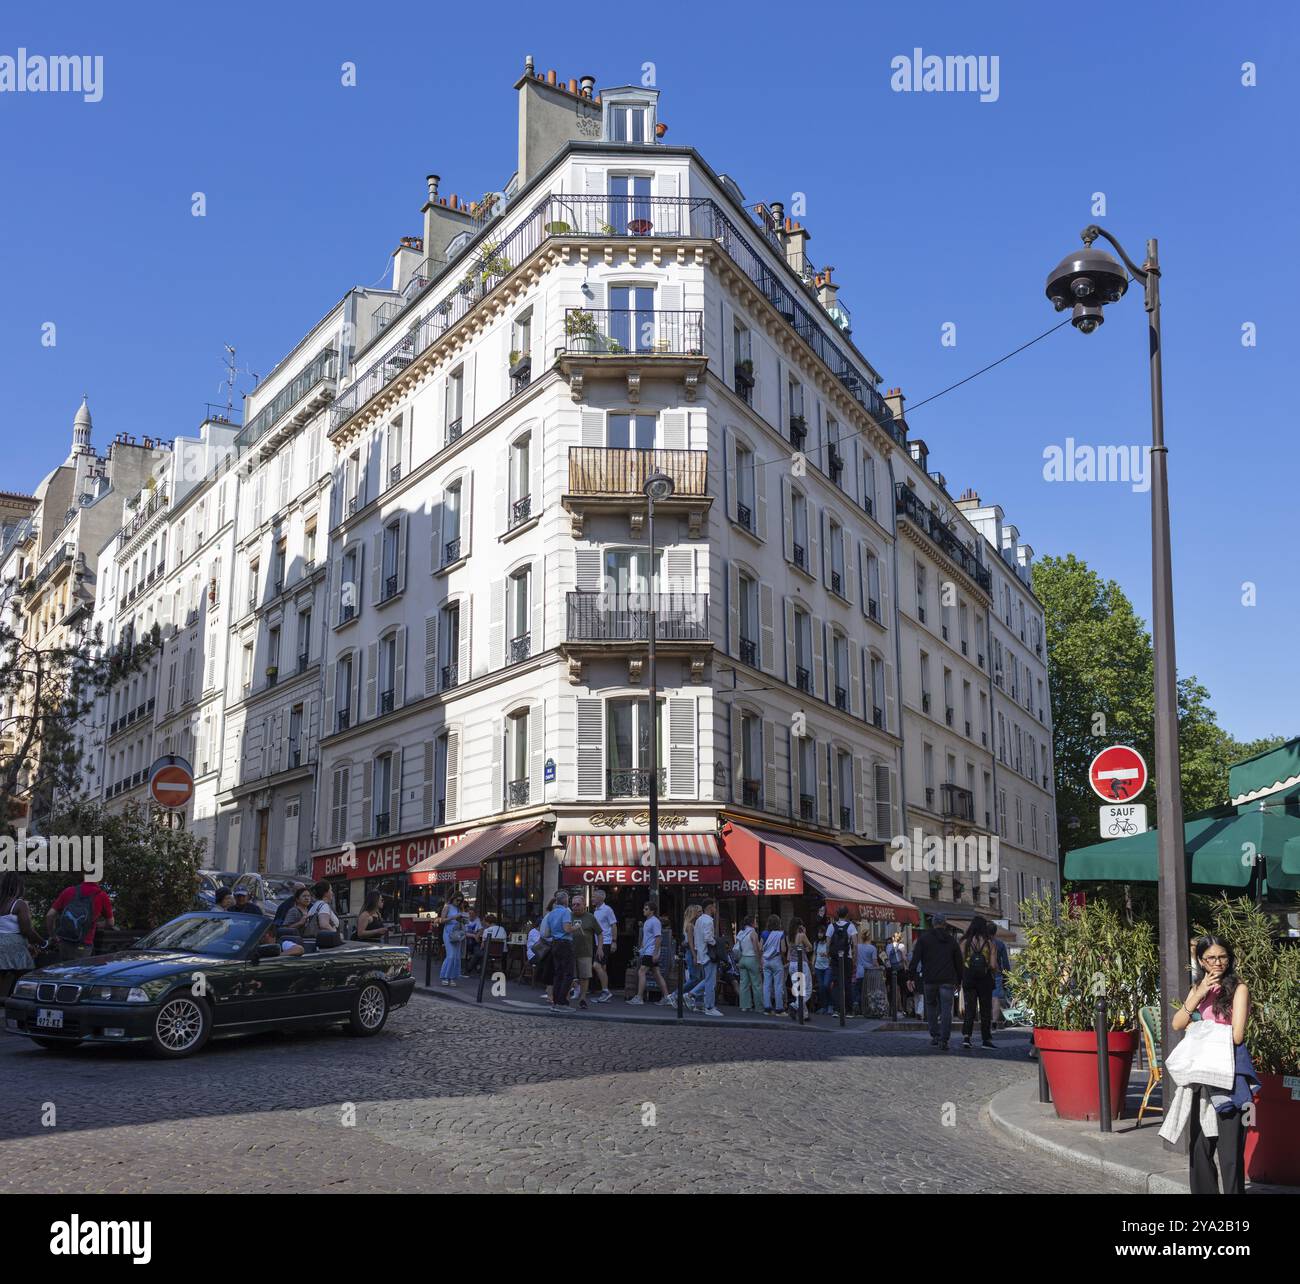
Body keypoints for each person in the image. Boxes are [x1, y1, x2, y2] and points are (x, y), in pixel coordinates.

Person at [1171, 935, 1255, 1194]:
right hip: (1202, 1076)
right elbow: (1177, 1024)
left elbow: (1237, 1034)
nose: (1218, 963)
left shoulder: (1239, 988)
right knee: (1200, 1147)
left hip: (1229, 1076)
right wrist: (1199, 994)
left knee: (1230, 1152)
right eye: (1212, 958)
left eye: (1223, 957)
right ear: (1201, 961)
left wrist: (1201, 1027)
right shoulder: (1199, 988)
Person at [907, 913, 963, 1051]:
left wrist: (910, 977)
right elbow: (959, 962)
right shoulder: (951, 940)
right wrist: (959, 980)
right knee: (946, 1010)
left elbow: (915, 959)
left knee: (931, 1007)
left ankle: (935, 1035)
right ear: (945, 924)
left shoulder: (924, 939)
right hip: (947, 979)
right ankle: (944, 1039)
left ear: (933, 923)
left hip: (930, 979)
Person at [46, 878, 116, 961]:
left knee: (64, 971)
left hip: (64, 942)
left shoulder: (69, 891)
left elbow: (49, 915)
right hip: (84, 945)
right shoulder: (101, 895)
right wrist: (94, 924)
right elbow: (110, 923)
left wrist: (53, 935)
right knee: (80, 972)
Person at [0, 873, 45, 998]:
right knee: (27, 977)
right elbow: (27, 930)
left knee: (4, 981)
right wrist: (43, 942)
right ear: (18, 886)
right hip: (13, 948)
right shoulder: (19, 904)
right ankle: (22, 1006)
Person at [959, 916, 997, 1049]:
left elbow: (960, 962)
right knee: (985, 1010)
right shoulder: (990, 944)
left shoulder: (965, 942)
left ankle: (966, 1037)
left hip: (969, 978)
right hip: (985, 979)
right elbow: (993, 965)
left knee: (970, 1008)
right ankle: (986, 1039)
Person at [683, 900, 723, 1016]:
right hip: (709, 955)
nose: (715, 909)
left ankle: (705, 1003)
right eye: (714, 907)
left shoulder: (699, 920)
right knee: (710, 981)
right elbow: (708, 938)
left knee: (708, 980)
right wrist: (716, 943)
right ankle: (708, 1006)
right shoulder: (708, 921)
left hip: (701, 954)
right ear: (710, 907)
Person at [627, 899, 668, 1005]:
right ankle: (667, 997)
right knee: (657, 974)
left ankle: (639, 997)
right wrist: (641, 949)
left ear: (652, 911)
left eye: (646, 909)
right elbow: (647, 938)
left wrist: (655, 953)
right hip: (648, 951)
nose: (643, 910)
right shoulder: (647, 921)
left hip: (651, 952)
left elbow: (658, 937)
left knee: (641, 972)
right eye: (644, 908)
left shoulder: (654, 922)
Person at [544, 890, 578, 1013]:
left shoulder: (551, 913)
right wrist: (576, 927)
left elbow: (546, 933)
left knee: (558, 973)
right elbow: (567, 929)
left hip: (554, 943)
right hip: (565, 943)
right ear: (565, 901)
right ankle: (562, 1002)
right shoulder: (565, 912)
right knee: (568, 974)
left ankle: (555, 1002)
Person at [569, 894, 601, 1009]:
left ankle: (582, 998)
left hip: (585, 952)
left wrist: (600, 948)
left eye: (578, 904)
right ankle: (566, 998)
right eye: (573, 904)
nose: (575, 907)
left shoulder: (590, 917)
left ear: (584, 905)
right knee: (570, 976)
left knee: (585, 976)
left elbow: (599, 933)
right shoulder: (568, 916)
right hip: (570, 951)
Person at [826, 906, 858, 1016]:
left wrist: (829, 956)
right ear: (847, 914)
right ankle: (848, 1010)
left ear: (837, 914)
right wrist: (854, 958)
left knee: (836, 983)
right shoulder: (851, 927)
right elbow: (855, 944)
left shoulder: (831, 926)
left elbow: (828, 944)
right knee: (847, 983)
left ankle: (837, 1009)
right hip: (847, 958)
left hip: (835, 958)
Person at [589, 888, 617, 1002]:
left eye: (594, 896)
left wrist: (614, 941)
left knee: (596, 965)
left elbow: (613, 925)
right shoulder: (596, 910)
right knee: (602, 967)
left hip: (605, 942)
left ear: (601, 898)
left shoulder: (607, 910)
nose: (592, 898)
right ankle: (604, 991)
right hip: (597, 942)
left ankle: (606, 991)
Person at [786, 919, 813, 1021]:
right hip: (801, 964)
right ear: (799, 926)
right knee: (808, 989)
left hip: (792, 965)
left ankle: (804, 1014)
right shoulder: (801, 935)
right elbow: (810, 946)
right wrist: (804, 933)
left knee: (799, 990)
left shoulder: (789, 937)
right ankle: (795, 1006)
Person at [734, 914, 763, 1012]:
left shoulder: (741, 932)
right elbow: (756, 948)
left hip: (742, 959)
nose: (756, 922)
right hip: (752, 958)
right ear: (752, 923)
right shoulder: (753, 933)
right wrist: (760, 962)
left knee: (744, 984)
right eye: (755, 921)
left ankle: (744, 1006)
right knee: (756, 984)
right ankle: (759, 1007)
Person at [760, 915, 786, 1015]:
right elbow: (783, 949)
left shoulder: (764, 933)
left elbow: (760, 947)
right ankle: (779, 1008)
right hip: (776, 960)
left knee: (766, 984)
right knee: (778, 985)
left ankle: (767, 1008)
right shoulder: (781, 934)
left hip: (766, 961)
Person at [439, 893, 466, 986]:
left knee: (456, 956)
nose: (458, 902)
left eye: (460, 901)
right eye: (457, 900)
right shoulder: (447, 907)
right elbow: (441, 920)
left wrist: (463, 919)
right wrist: (453, 917)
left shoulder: (459, 908)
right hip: (448, 932)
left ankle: (452, 977)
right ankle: (445, 976)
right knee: (450, 955)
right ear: (453, 898)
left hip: (457, 933)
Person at [306, 881, 342, 949]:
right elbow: (324, 925)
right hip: (326, 945)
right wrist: (337, 935)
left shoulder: (314, 906)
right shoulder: (324, 906)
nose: (332, 893)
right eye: (331, 890)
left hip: (316, 943)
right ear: (326, 893)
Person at [988, 922, 1011, 1025]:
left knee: (985, 997)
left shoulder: (983, 942)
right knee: (995, 997)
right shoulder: (1000, 944)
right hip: (996, 973)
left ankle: (986, 1019)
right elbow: (1005, 962)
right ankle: (994, 1021)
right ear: (995, 932)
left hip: (985, 972)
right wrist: (1007, 975)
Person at [885, 932, 910, 1017]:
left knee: (893, 989)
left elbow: (886, 958)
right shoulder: (901, 946)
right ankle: (903, 1009)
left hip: (891, 969)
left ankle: (892, 1009)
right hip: (900, 969)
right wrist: (907, 965)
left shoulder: (888, 946)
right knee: (903, 990)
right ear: (900, 938)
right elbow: (904, 958)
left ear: (893, 938)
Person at [853, 935, 879, 1014]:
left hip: (859, 972)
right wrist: (879, 967)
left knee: (859, 990)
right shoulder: (872, 948)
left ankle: (857, 1004)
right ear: (869, 938)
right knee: (868, 991)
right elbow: (874, 962)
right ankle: (866, 1009)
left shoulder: (858, 947)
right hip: (869, 972)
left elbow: (855, 958)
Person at [812, 924, 832, 1013]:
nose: (819, 935)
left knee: (826, 985)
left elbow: (831, 955)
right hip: (818, 967)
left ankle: (830, 1005)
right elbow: (814, 954)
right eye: (819, 933)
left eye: (821, 933)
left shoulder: (828, 943)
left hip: (827, 967)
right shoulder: (816, 943)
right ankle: (824, 1006)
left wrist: (827, 955)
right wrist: (813, 964)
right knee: (821, 987)